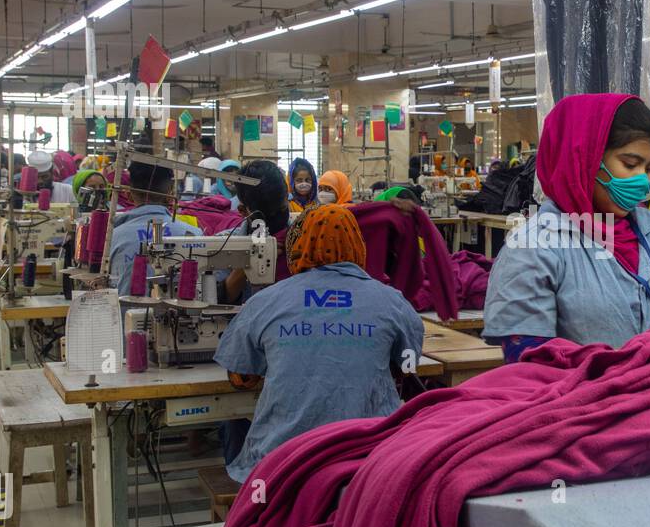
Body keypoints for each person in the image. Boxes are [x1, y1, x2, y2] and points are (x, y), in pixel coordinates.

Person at [484, 94, 650, 359]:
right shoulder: (533, 249)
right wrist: (636, 364)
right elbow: (529, 360)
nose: (643, 181)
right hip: (580, 400)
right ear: (583, 158)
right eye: (630, 164)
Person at [214, 203, 425, 482]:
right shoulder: (392, 302)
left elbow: (241, 379)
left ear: (299, 245)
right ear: (356, 243)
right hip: (367, 460)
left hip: (283, 464)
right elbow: (406, 367)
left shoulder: (263, 303)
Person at [107, 161, 203, 295]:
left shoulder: (111, 238)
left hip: (124, 313)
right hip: (183, 313)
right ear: (170, 192)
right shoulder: (194, 234)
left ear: (129, 193)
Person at [219, 160, 294, 304]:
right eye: (265, 214)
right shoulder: (223, 245)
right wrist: (245, 267)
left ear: (287, 199)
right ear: (242, 210)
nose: (276, 217)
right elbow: (211, 304)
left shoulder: (305, 242)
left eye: (281, 209)